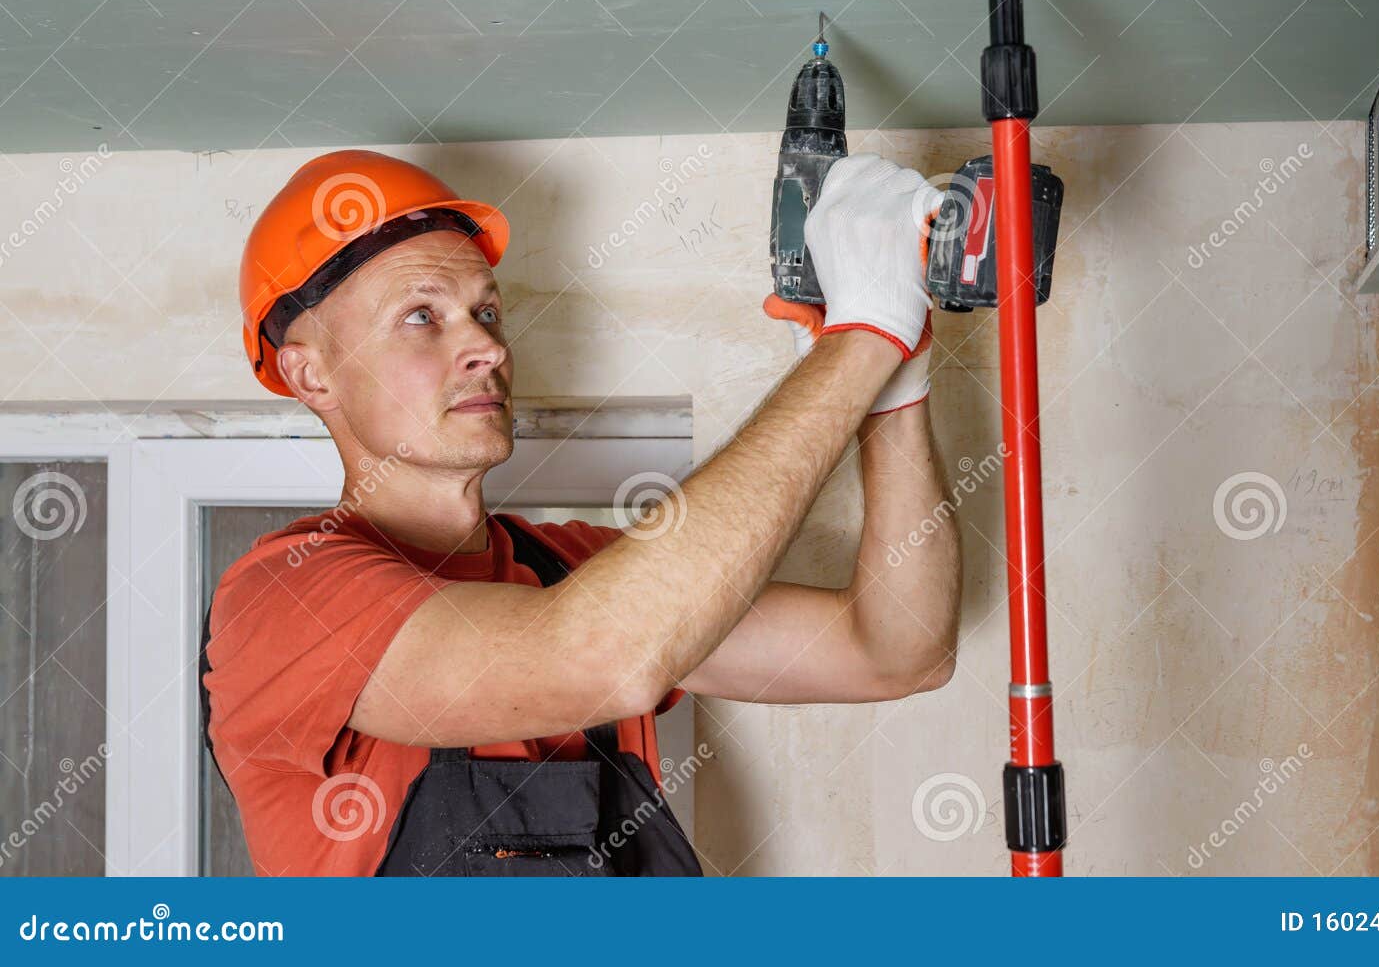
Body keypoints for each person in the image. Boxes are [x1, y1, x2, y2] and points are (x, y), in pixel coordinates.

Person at [203, 148, 961, 876]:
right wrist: (860, 341)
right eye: (420, 317)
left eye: (486, 311)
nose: (487, 348)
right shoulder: (285, 599)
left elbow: (897, 650)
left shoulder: (574, 571)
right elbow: (600, 661)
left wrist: (891, 387)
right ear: (312, 375)